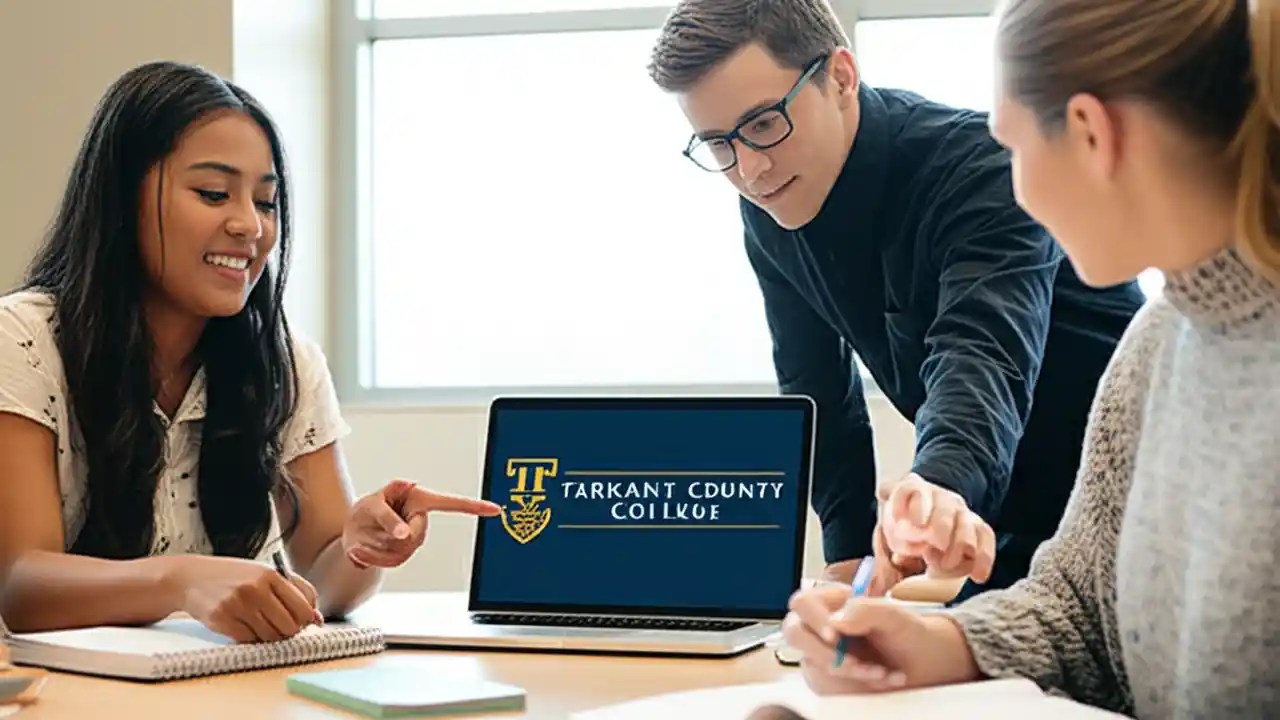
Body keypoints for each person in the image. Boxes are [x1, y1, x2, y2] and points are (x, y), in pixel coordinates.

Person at [782, 0, 1280, 716]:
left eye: (1012, 148)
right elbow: (1080, 607)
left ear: (1089, 133)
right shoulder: (1155, 346)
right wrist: (937, 645)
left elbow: (981, 351)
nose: (1011, 183)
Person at [647, 0, 1145, 598]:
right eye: (718, 144)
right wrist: (851, 554)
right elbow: (815, 386)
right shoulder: (769, 203)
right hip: (1002, 522)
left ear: (840, 77)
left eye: (762, 124)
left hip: (1132, 498)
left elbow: (982, 352)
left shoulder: (982, 168)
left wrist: (937, 484)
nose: (750, 170)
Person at [0, 61, 500, 643]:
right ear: (122, 197)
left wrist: (363, 546)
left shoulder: (285, 359)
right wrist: (182, 581)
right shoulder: (24, 341)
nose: (249, 226)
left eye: (266, 202)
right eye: (214, 193)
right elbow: (21, 585)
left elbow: (326, 581)